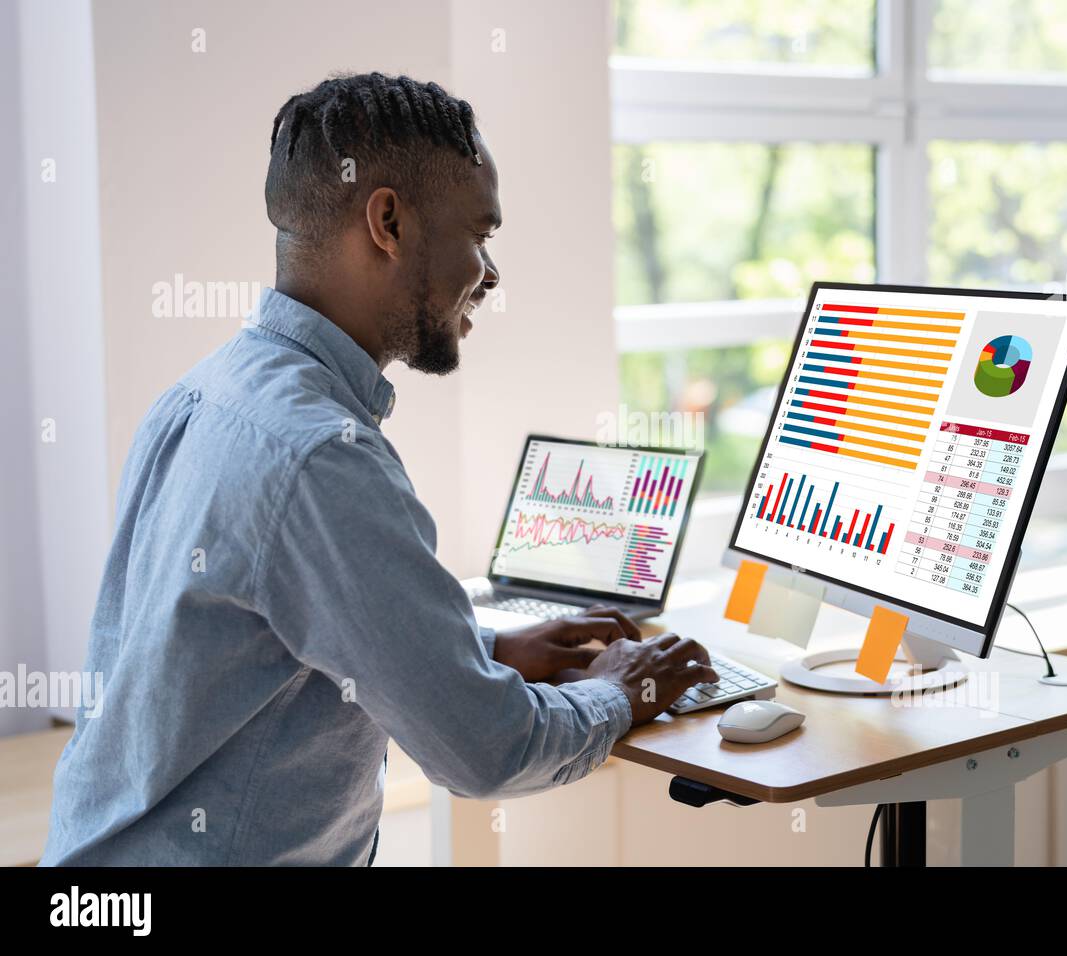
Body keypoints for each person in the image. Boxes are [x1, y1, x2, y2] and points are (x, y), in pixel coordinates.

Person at [41, 72, 718, 866]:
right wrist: (622, 687)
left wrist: (483, 652)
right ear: (388, 220)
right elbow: (488, 750)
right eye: (481, 232)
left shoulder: (198, 397)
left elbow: (245, 647)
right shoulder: (321, 457)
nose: (491, 271)